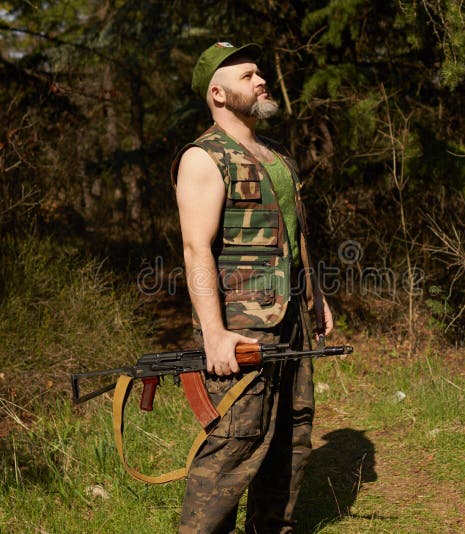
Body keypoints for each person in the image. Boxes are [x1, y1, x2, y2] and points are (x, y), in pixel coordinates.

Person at [170, 42, 334, 533]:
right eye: (247, 76)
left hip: (292, 319)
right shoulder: (204, 158)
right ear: (218, 93)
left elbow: (295, 233)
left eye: (259, 72)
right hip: (242, 329)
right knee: (236, 444)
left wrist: (317, 296)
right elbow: (195, 249)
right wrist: (214, 333)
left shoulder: (275, 155)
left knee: (291, 436)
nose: (261, 80)